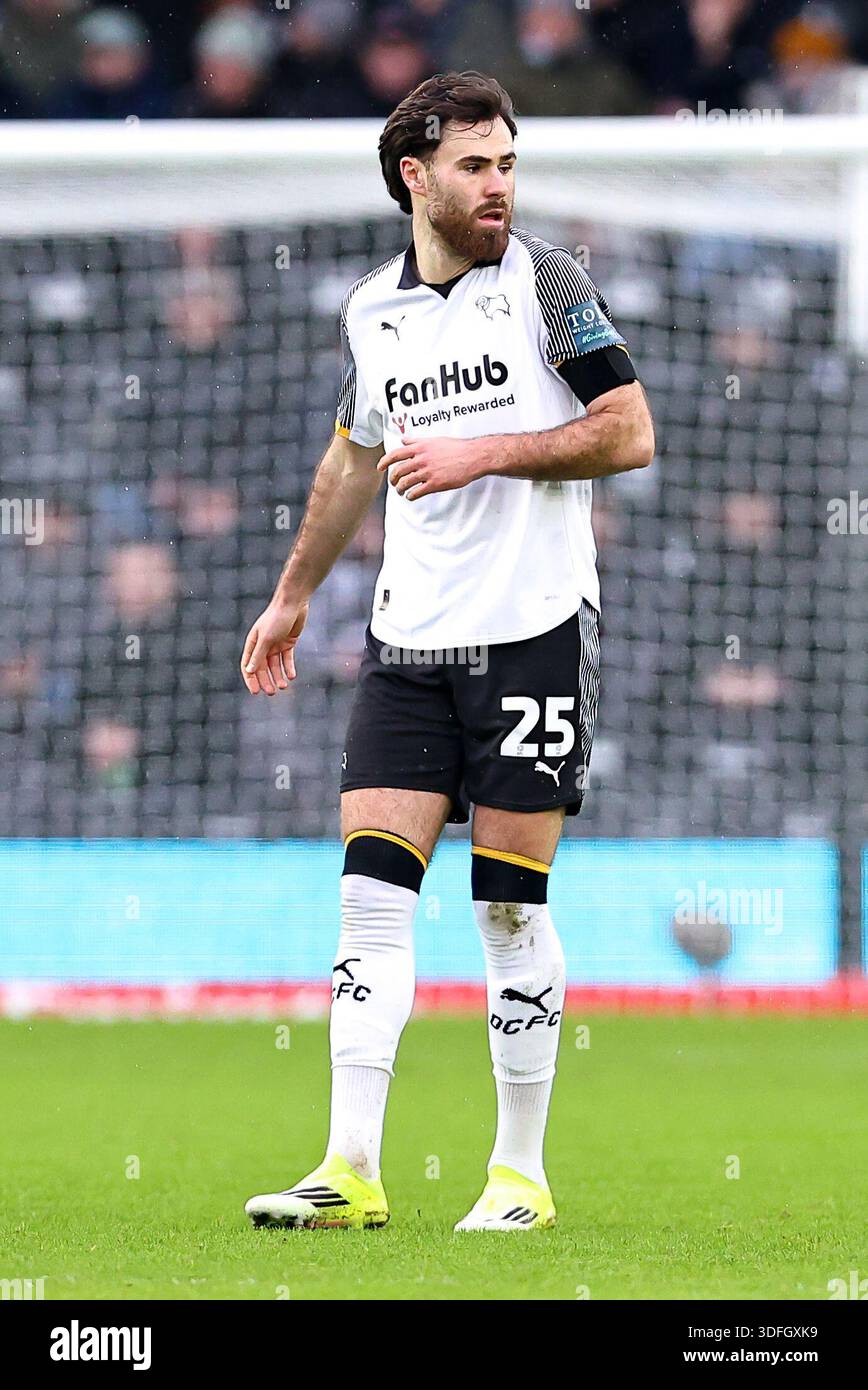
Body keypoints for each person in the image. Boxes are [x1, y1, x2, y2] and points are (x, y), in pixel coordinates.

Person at [240, 71, 655, 1232]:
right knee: (369, 904)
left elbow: (628, 430)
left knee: (507, 911)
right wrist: (290, 599)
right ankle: (349, 1167)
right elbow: (349, 462)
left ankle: (517, 1176)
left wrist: (487, 454)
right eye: (476, 165)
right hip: (406, 643)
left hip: (530, 633)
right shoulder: (372, 311)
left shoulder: (547, 284)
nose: (498, 187)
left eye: (508, 163)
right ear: (413, 176)